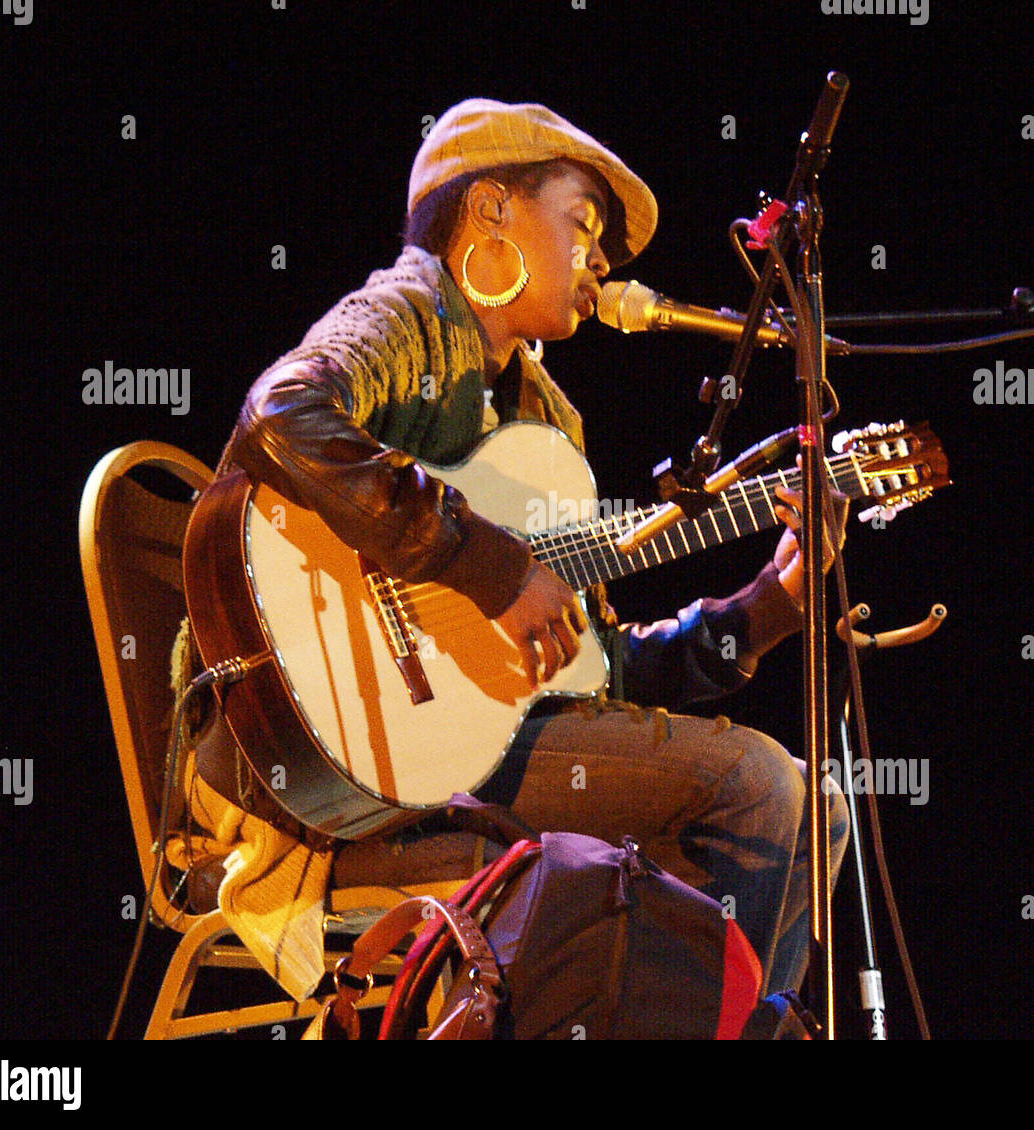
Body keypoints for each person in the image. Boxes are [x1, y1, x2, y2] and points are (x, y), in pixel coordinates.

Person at [180, 98, 849, 1005]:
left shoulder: (545, 423)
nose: (604, 263)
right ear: (492, 209)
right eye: (583, 222)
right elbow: (283, 416)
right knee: (761, 786)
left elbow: (591, 674)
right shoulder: (405, 316)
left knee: (810, 806)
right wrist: (489, 568)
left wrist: (770, 604)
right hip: (334, 784)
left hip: (472, 761)